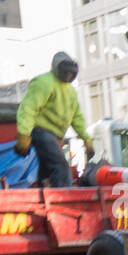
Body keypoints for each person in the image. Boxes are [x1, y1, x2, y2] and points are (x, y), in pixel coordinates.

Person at [14, 52, 93, 188]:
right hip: (41, 131)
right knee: (60, 167)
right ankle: (64, 200)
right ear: (58, 69)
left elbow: (76, 117)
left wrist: (86, 138)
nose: (68, 75)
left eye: (71, 73)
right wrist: (24, 134)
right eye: (66, 72)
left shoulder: (70, 91)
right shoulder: (44, 83)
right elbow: (28, 109)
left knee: (47, 170)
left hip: (55, 136)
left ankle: (43, 196)